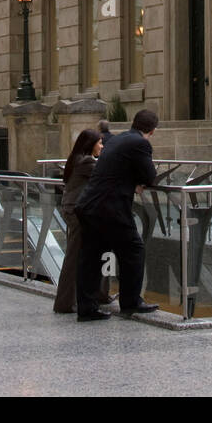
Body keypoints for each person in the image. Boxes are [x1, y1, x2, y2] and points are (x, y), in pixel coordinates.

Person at [75, 108, 160, 322]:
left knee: (90, 257)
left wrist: (132, 181)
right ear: (153, 131)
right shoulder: (141, 144)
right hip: (110, 208)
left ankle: (86, 308)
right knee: (133, 249)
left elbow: (118, 169)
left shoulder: (116, 139)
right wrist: (139, 182)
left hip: (89, 204)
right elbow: (151, 176)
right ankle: (131, 302)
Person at [54, 129, 103, 314]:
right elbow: (106, 175)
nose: (102, 146)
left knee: (78, 256)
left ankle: (83, 297)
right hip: (77, 213)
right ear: (90, 144)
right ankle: (65, 303)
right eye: (99, 142)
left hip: (72, 210)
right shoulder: (87, 161)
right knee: (74, 258)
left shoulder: (75, 159)